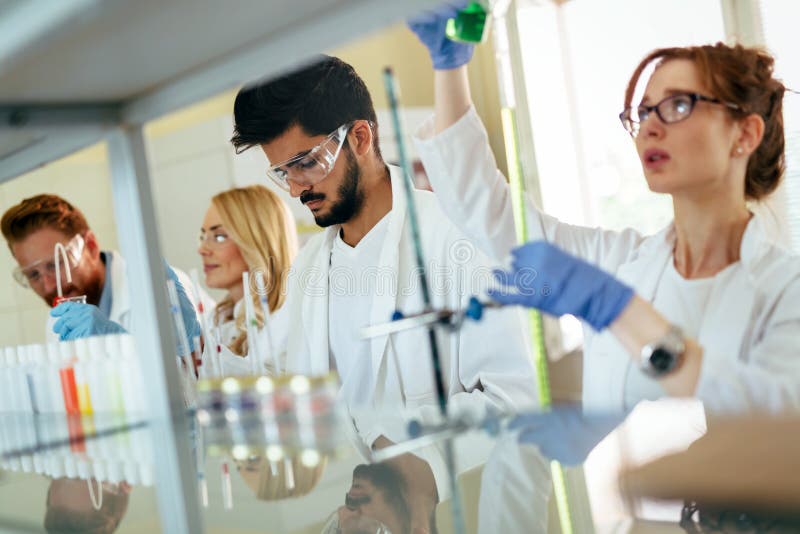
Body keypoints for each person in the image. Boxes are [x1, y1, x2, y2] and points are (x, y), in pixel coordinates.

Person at [409, 6, 800, 415]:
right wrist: (449, 68)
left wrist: (622, 311)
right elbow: (490, 216)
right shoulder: (618, 263)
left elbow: (771, 425)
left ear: (745, 133)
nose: (650, 126)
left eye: (679, 105)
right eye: (644, 111)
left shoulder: (786, 292)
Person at [230, 55, 539, 502]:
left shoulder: (458, 237)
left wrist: (414, 453)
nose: (296, 189)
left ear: (359, 136)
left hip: (448, 510)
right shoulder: (310, 267)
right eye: (283, 173)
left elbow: (514, 400)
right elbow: (296, 383)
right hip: (343, 509)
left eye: (306, 162)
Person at [1, 194, 204, 344]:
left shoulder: (160, 288)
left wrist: (120, 343)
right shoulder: (60, 322)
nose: (48, 286)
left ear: (90, 245)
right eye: (33, 274)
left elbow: (196, 376)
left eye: (56, 264)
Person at [197, 185, 297, 374]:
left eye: (219, 237)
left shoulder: (287, 320)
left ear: (258, 242)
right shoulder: (218, 318)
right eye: (203, 236)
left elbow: (273, 392)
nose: (202, 249)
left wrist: (202, 348)